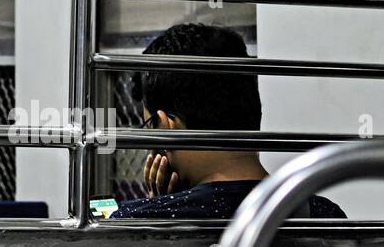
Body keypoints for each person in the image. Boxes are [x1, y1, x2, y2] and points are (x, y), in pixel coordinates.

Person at [110, 22, 346, 220]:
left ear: (164, 126)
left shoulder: (135, 224)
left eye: (150, 127)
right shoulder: (324, 215)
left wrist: (157, 207)